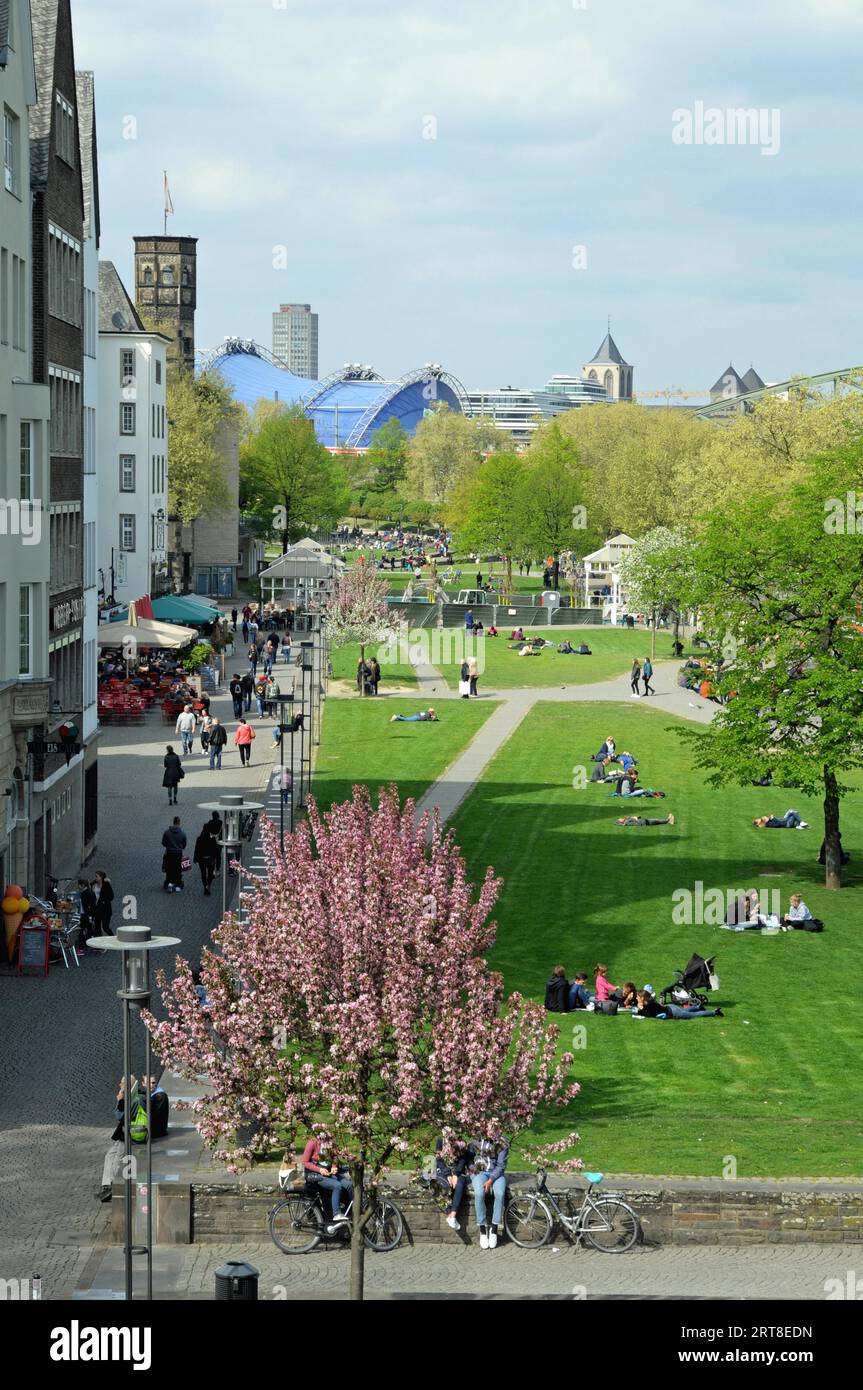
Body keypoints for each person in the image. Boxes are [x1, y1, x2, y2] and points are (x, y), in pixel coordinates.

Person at [301, 1133, 352, 1233]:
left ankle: (351, 1212)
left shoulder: (330, 1143)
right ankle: (336, 1213)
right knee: (337, 1185)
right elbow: (305, 1162)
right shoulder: (312, 1143)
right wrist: (319, 1170)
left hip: (327, 1173)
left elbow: (334, 1157)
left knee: (349, 1185)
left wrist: (333, 1166)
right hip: (314, 1174)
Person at [470, 1130, 509, 1249]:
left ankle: (494, 1228)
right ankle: (482, 1229)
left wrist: (490, 1181)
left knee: (500, 1193)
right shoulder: (476, 1139)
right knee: (479, 1194)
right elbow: (468, 1158)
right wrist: (473, 1169)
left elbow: (501, 1165)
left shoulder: (503, 1142)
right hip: (479, 1173)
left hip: (496, 1174)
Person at [435, 1137, 475, 1232]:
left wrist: (456, 1174)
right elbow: (439, 1159)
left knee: (459, 1185)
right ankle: (449, 1213)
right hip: (444, 1171)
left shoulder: (460, 1141)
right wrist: (448, 1174)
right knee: (440, 1186)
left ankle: (452, 1216)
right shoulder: (440, 1140)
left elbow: (463, 1159)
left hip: (458, 1171)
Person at [633, 990, 723, 1020]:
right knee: (686, 1010)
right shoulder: (649, 1002)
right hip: (671, 1007)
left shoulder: (649, 1005)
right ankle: (697, 1007)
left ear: (642, 998)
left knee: (693, 1015)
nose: (636, 998)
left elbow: (648, 1015)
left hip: (673, 1012)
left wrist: (640, 1009)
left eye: (637, 997)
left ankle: (714, 1012)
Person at [161, 816, 186, 893]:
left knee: (169, 868)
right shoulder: (182, 833)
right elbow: (184, 845)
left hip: (169, 852)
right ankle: (178, 885)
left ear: (173, 822)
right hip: (178, 853)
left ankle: (169, 883)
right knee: (178, 869)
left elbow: (163, 842)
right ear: (179, 822)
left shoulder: (167, 832)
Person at [193, 824, 218, 896]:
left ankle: (205, 886)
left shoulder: (199, 838)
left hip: (202, 859)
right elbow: (215, 850)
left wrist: (195, 858)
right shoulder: (212, 839)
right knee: (210, 874)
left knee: (203, 874)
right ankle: (208, 885)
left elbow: (196, 849)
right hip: (210, 859)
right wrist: (216, 858)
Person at [92, 870, 115, 936]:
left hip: (106, 910)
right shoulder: (94, 884)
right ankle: (98, 943)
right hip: (97, 910)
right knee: (97, 928)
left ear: (101, 877)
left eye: (96, 876)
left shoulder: (106, 884)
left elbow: (111, 896)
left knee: (105, 927)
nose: (95, 878)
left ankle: (113, 937)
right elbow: (88, 884)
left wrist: (103, 901)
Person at [76, 877, 97, 945]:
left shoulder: (85, 893)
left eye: (79, 885)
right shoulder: (89, 892)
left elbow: (89, 906)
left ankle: (82, 946)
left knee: (82, 930)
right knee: (88, 930)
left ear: (82, 885)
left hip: (86, 915)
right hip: (88, 915)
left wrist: (90, 917)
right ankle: (89, 944)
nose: (78, 886)